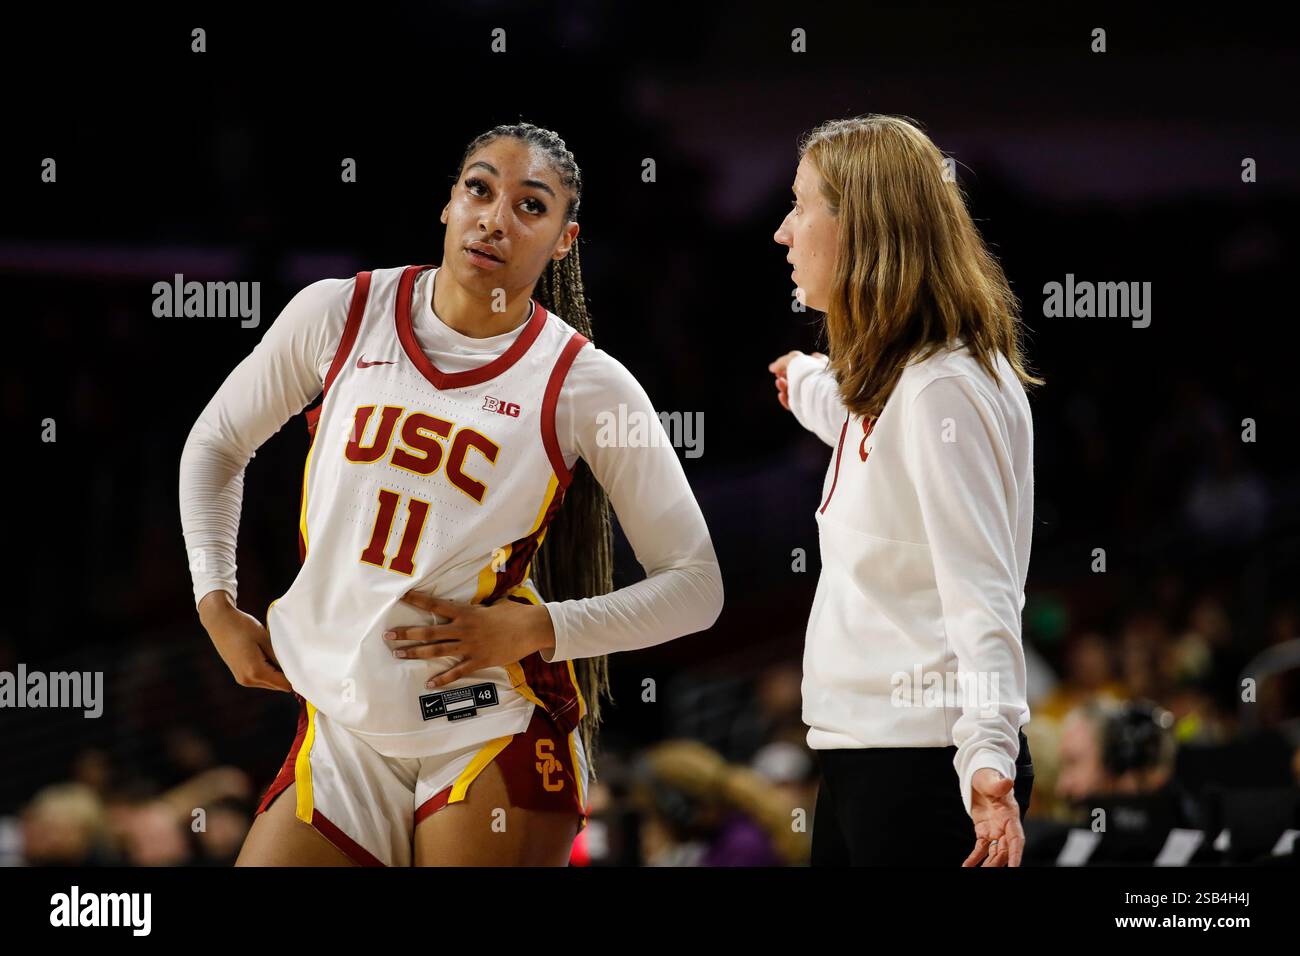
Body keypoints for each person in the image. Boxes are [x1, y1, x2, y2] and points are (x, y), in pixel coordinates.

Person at [179, 122, 724, 866]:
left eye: (531, 207)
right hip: (343, 722)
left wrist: (537, 631)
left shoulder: (587, 383)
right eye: (479, 189)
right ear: (447, 204)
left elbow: (697, 586)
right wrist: (215, 600)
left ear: (564, 241)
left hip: (487, 719)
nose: (495, 218)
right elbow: (215, 443)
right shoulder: (342, 313)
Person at [767, 114, 1042, 866]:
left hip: (925, 771)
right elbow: (866, 423)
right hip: (867, 760)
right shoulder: (903, 381)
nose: (784, 233)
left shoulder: (939, 391)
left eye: (801, 205)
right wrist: (806, 381)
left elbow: (980, 587)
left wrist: (988, 755)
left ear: (863, 226)